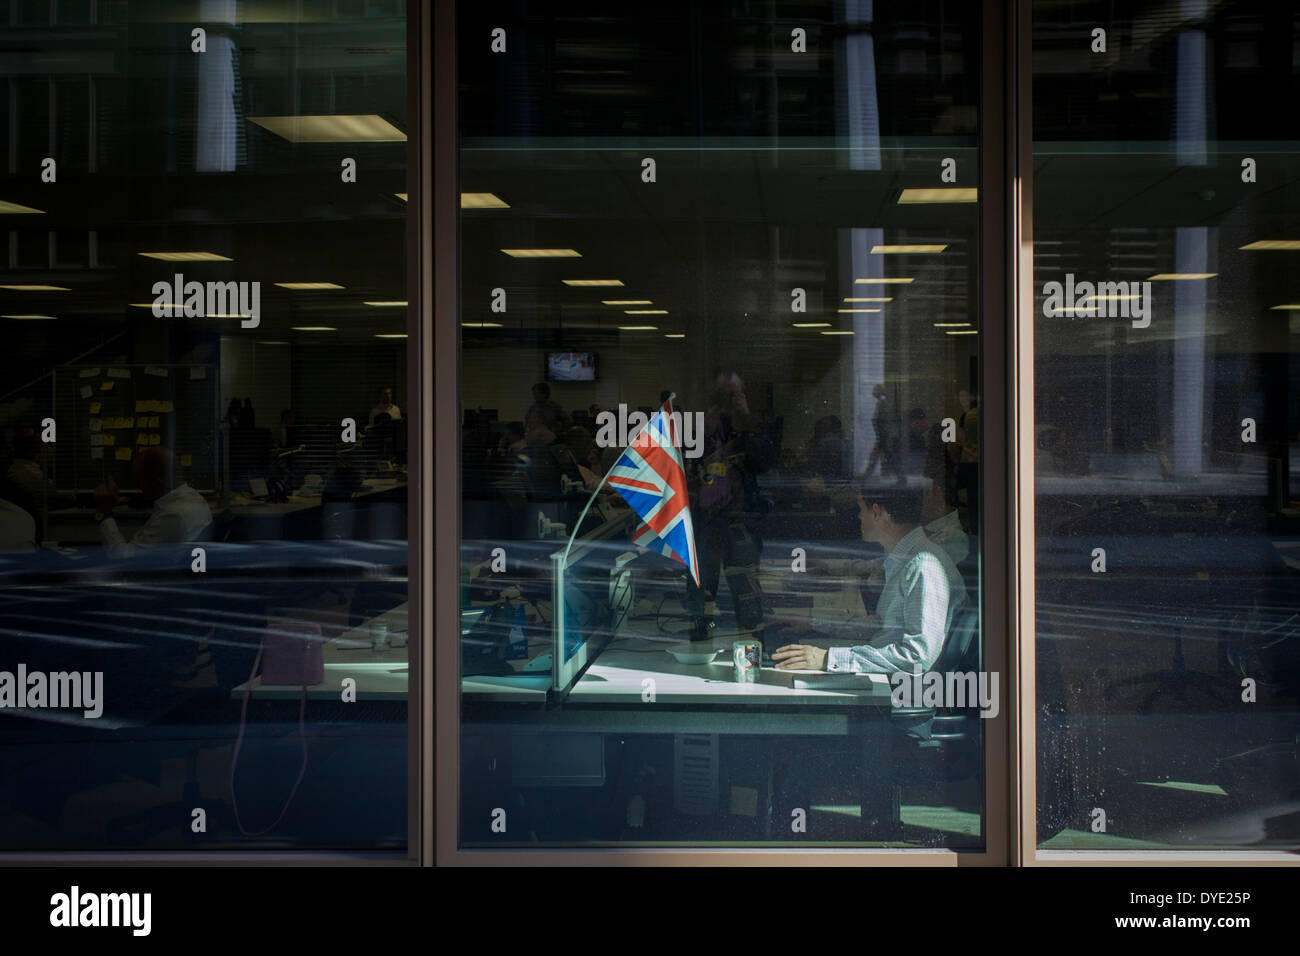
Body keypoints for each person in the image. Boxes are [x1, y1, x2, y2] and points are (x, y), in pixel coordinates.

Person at [773, 484, 967, 674]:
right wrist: (813, 622)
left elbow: (917, 657)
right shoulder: (907, 558)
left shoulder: (922, 565)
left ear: (876, 512)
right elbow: (881, 627)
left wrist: (826, 659)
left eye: (860, 509)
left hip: (903, 693)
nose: (858, 516)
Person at [93, 446, 212, 558]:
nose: (139, 487)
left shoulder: (173, 515)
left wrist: (104, 512)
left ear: (158, 481)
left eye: (140, 480)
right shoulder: (193, 498)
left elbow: (123, 557)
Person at [5, 427, 76, 518]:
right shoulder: (26, 474)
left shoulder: (22, 470)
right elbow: (65, 494)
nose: (45, 447)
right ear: (34, 449)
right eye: (40, 443)